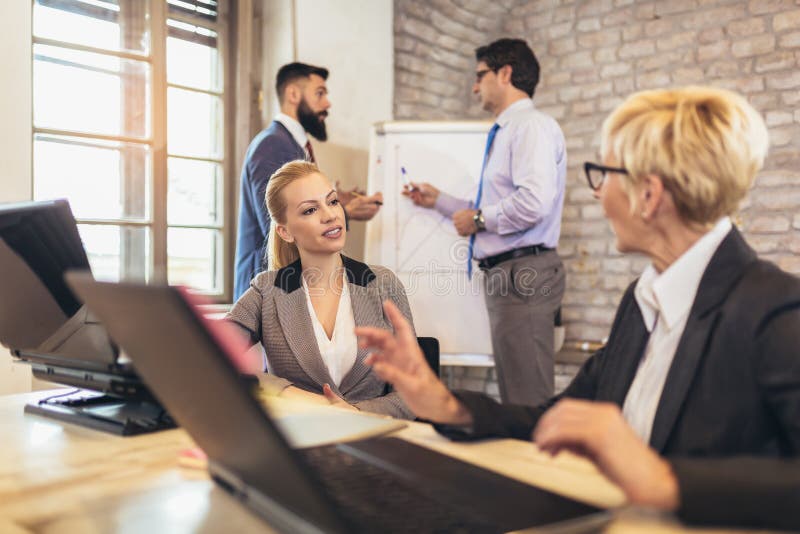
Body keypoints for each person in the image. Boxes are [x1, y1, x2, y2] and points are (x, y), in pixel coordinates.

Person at [359, 87, 800, 530]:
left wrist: (666, 480)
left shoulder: (775, 310)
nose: (597, 193)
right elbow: (555, 417)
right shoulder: (641, 300)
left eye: (602, 174)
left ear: (649, 195)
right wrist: (449, 406)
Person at [404, 38, 566, 406]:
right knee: (517, 394)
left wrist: (478, 219)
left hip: (523, 274)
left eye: (480, 76)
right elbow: (498, 205)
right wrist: (438, 200)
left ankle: (532, 448)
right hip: (511, 274)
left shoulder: (529, 127)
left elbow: (534, 202)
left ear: (505, 73)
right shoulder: (510, 130)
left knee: (526, 399)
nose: (475, 87)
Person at [227, 160, 414, 419]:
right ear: (285, 232)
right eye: (310, 210)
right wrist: (290, 394)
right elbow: (206, 357)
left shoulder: (383, 283)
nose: (330, 215)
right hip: (299, 437)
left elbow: (413, 391)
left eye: (333, 201)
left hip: (374, 435)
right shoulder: (267, 291)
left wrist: (355, 413)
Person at [234, 62, 383, 300]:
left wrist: (337, 200)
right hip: (268, 295)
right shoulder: (273, 146)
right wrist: (344, 212)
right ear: (293, 94)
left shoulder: (291, 144)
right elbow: (276, 226)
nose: (327, 104)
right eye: (320, 94)